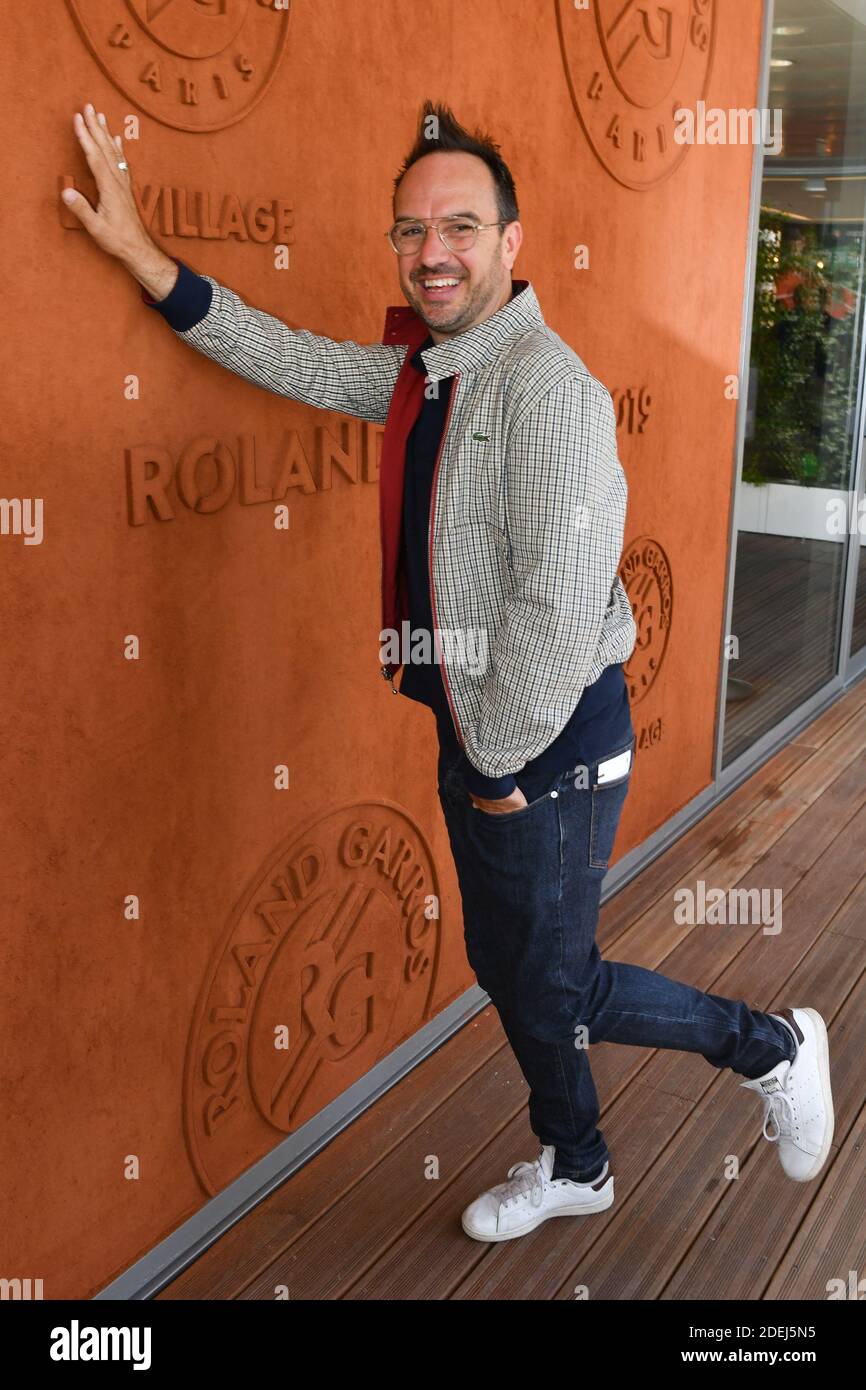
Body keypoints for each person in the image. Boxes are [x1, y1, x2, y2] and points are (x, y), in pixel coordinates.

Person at [63, 98, 834, 1243]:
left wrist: (493, 770)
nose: (432, 252)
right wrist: (140, 256)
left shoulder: (544, 393)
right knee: (508, 962)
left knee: (549, 984)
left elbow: (554, 613)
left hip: (546, 747)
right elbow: (298, 362)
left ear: (510, 242)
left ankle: (770, 1046)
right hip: (482, 735)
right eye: (411, 230)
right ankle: (576, 1159)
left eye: (460, 227)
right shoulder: (433, 373)